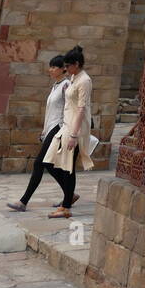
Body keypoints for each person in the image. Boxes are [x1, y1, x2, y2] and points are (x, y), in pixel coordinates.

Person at [6, 56, 71, 212]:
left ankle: (23, 201)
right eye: (51, 67)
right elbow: (50, 111)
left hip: (59, 128)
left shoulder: (67, 85)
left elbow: (70, 109)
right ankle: (70, 193)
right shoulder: (55, 86)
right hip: (50, 128)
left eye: (54, 67)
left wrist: (64, 130)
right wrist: (44, 130)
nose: (51, 70)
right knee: (49, 164)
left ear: (64, 68)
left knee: (39, 163)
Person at [43, 45, 93, 218]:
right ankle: (68, 198)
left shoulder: (84, 80)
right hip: (66, 125)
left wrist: (74, 135)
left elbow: (81, 109)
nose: (66, 69)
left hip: (75, 128)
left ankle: (66, 207)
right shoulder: (74, 78)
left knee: (68, 167)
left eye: (69, 66)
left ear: (76, 64)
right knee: (49, 162)